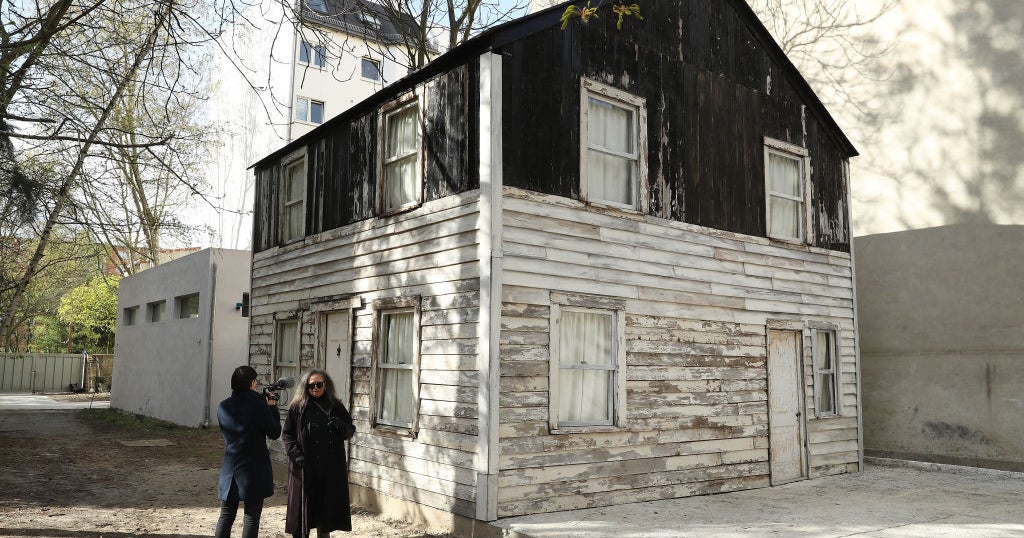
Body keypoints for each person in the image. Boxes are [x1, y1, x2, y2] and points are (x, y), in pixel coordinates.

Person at [283, 369, 356, 537]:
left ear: (325, 385)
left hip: (328, 469)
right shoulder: (297, 407)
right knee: (302, 517)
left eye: (318, 384)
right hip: (304, 468)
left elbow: (349, 431)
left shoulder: (335, 406)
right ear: (305, 387)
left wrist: (340, 425)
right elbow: (287, 434)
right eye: (310, 385)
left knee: (325, 516)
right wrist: (296, 454)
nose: (314, 388)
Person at [214, 365, 282, 538]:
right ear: (252, 383)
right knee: (251, 518)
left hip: (230, 466)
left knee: (226, 515)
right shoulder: (259, 406)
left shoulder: (223, 406)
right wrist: (272, 406)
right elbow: (274, 432)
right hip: (254, 466)